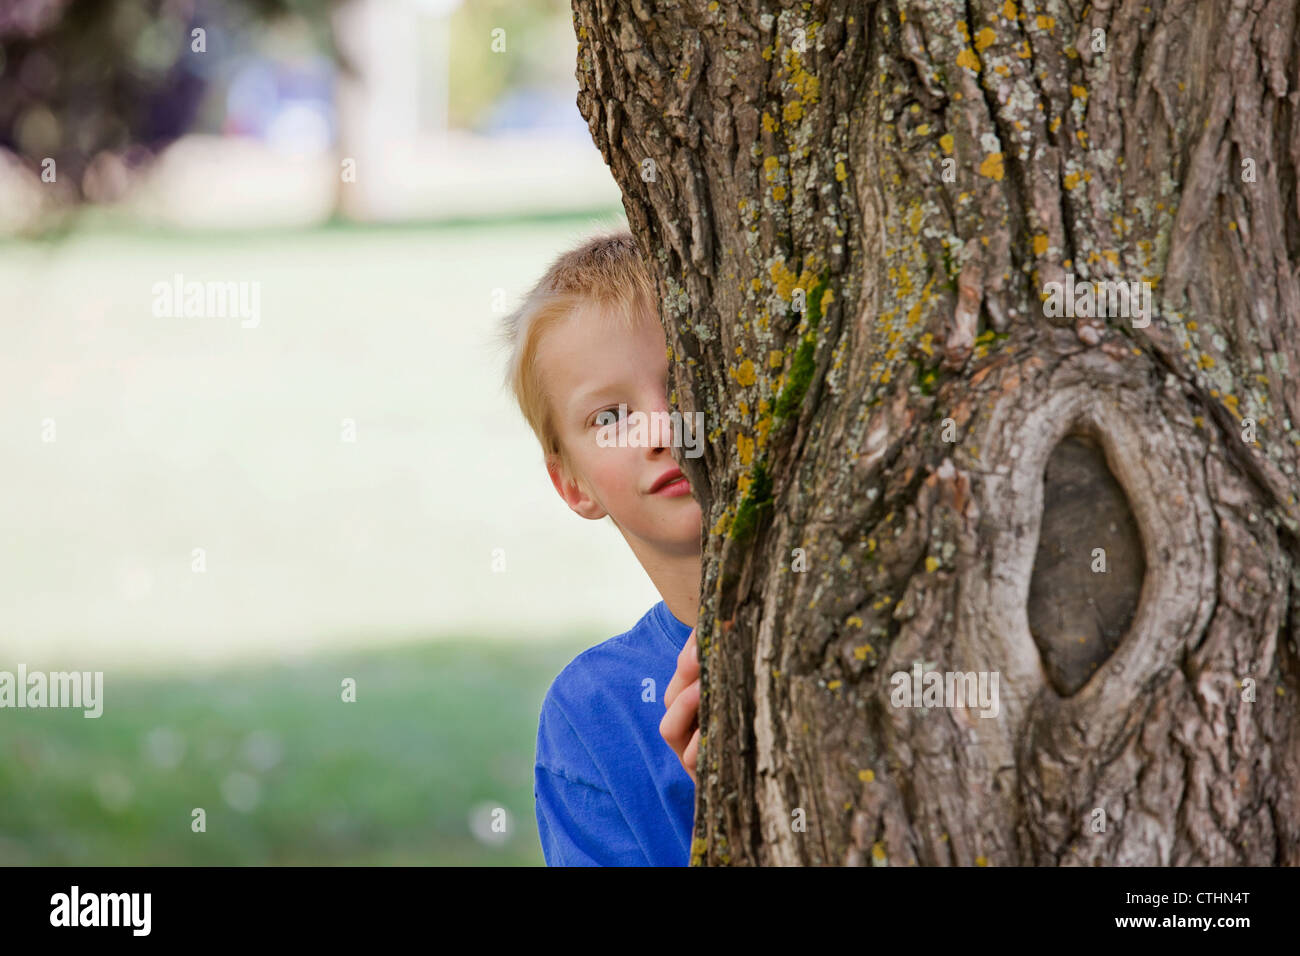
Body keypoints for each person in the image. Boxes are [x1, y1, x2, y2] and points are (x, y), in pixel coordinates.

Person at [497, 228, 704, 865]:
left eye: (686, 382)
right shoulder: (593, 717)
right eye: (609, 418)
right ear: (573, 484)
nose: (660, 428)